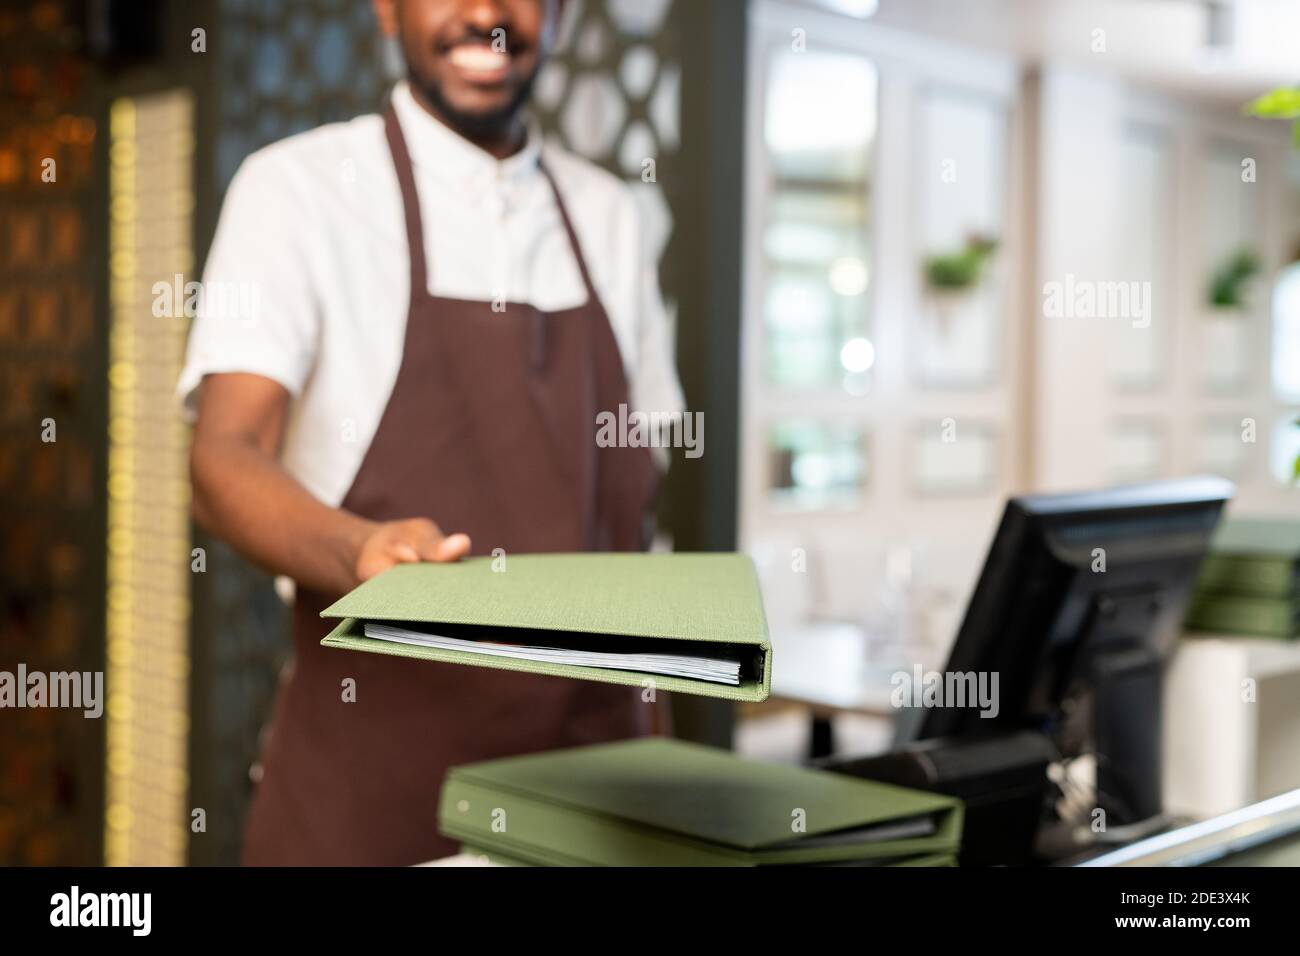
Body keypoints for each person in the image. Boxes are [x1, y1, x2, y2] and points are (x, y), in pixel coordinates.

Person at [178, 0, 684, 865]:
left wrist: (666, 760)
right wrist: (359, 551)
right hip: (373, 792)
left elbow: (634, 520)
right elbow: (223, 460)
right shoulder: (296, 188)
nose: (486, 15)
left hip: (590, 792)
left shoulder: (611, 214)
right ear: (387, 9)